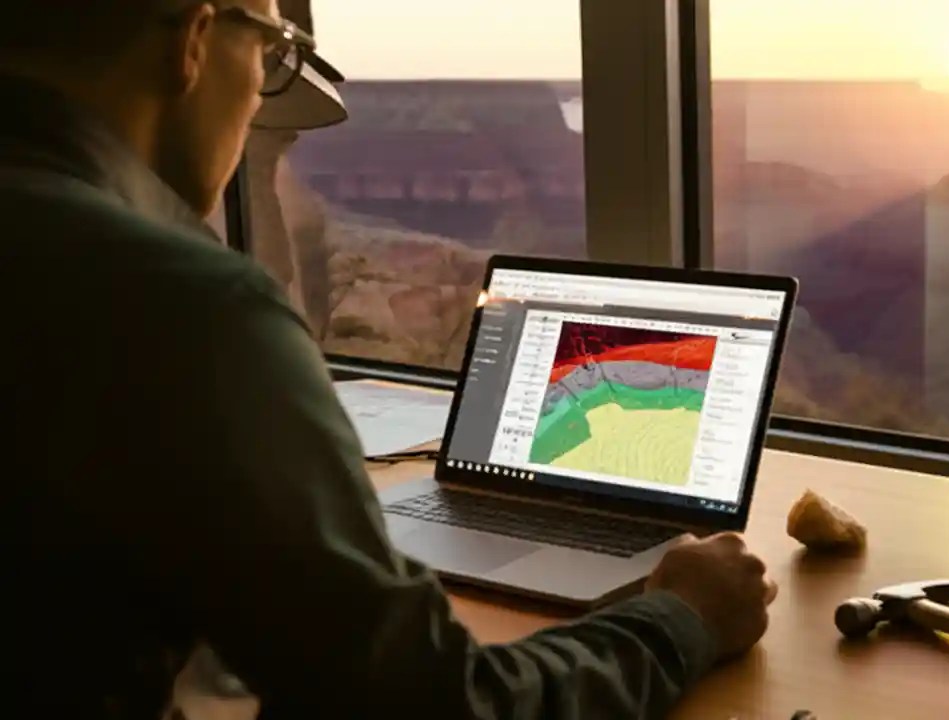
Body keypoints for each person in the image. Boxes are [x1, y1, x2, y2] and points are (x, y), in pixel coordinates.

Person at [0, 1, 777, 718]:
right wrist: (682, 617)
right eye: (271, 52)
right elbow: (431, 707)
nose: (263, 95)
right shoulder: (189, 308)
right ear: (194, 42)